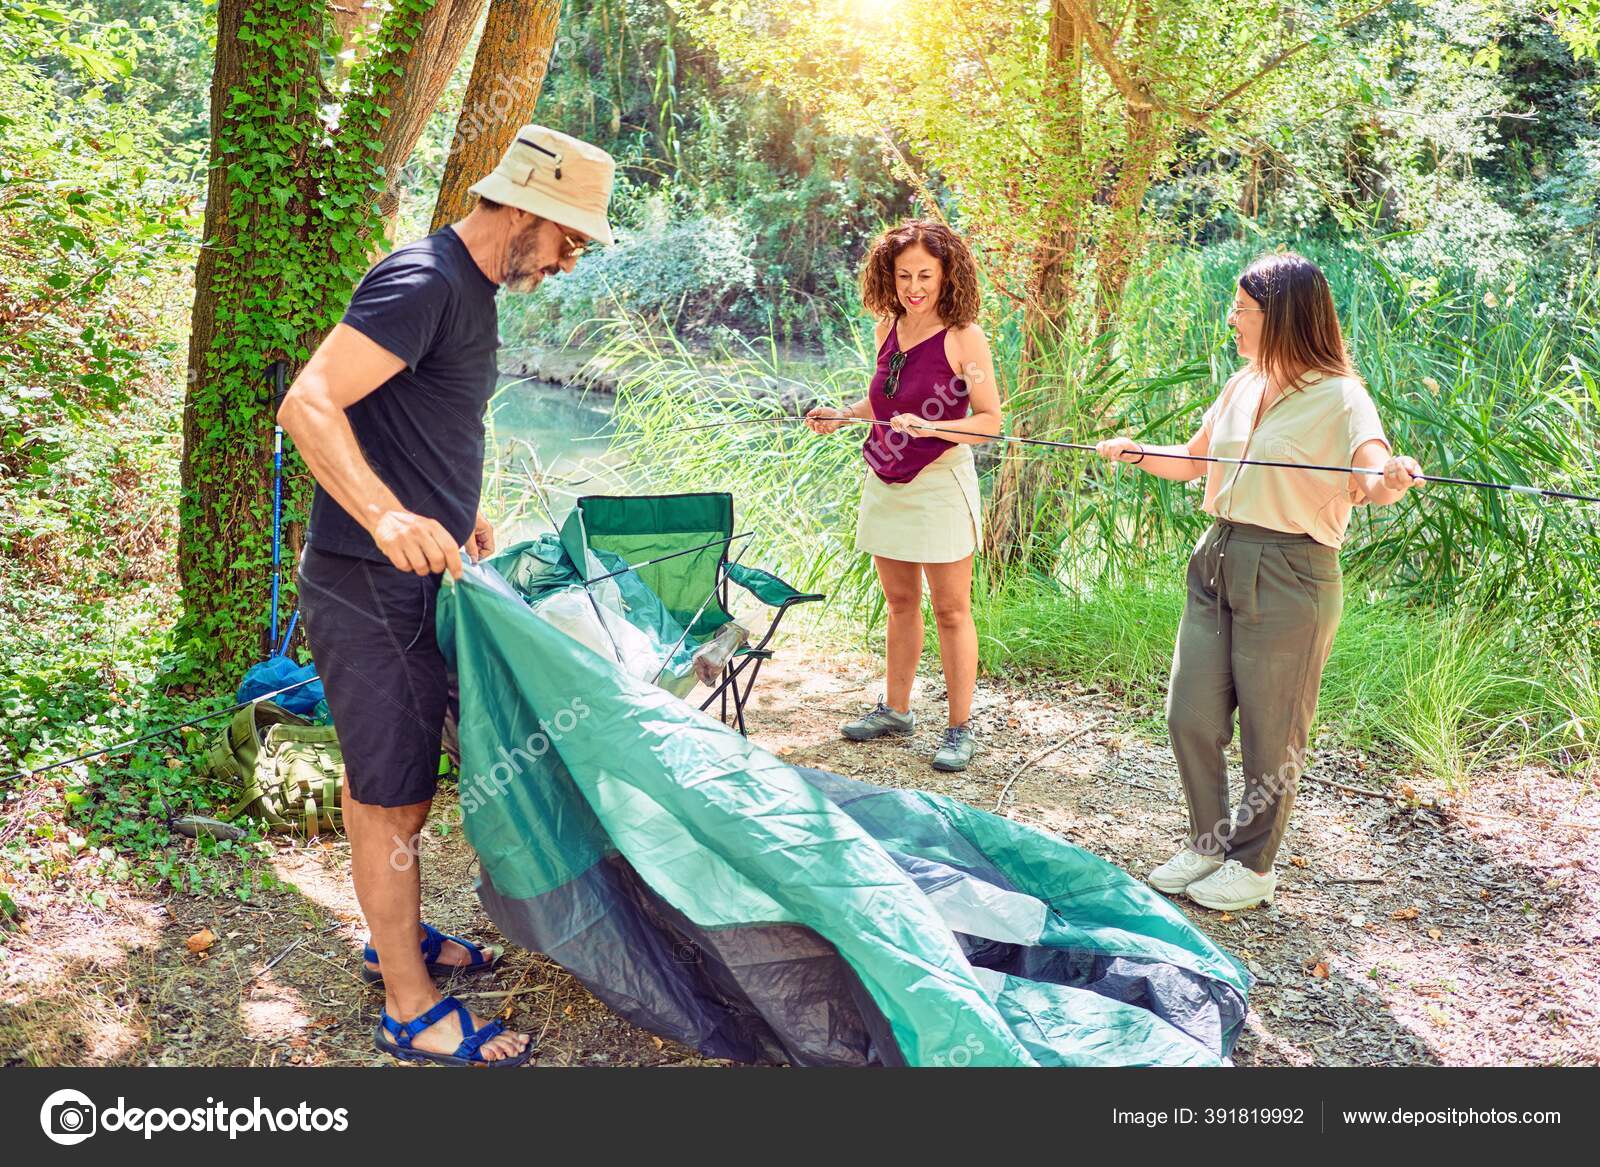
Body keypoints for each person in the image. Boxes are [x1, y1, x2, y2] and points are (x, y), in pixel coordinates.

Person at [277, 126, 615, 1066]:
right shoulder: (423, 280)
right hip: (366, 581)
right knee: (392, 797)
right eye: (568, 239)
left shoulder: (469, 290)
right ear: (527, 210)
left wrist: (455, 507)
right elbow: (308, 401)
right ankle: (409, 1005)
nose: (567, 259)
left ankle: (403, 937)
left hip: (416, 574)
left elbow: (418, 412)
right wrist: (389, 517)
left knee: (403, 788)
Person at [1095, 251, 1423, 912]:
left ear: (1283, 318)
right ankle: (1207, 843)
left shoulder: (1341, 396)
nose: (1233, 321)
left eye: (1242, 311)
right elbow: (1192, 461)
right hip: (1216, 556)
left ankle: (1254, 865)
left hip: (1291, 571)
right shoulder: (1242, 384)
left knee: (1272, 735)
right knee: (1189, 712)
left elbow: (1369, 473)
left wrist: (1390, 478)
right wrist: (1134, 451)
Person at [805, 220, 1001, 771]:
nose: (914, 287)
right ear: (888, 278)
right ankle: (896, 710)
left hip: (941, 482)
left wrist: (934, 429)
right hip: (886, 475)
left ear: (946, 276)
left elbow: (989, 421)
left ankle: (959, 728)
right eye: (904, 275)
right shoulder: (886, 326)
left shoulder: (965, 336)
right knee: (899, 603)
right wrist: (844, 414)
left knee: (952, 610)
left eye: (926, 276)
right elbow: (884, 403)